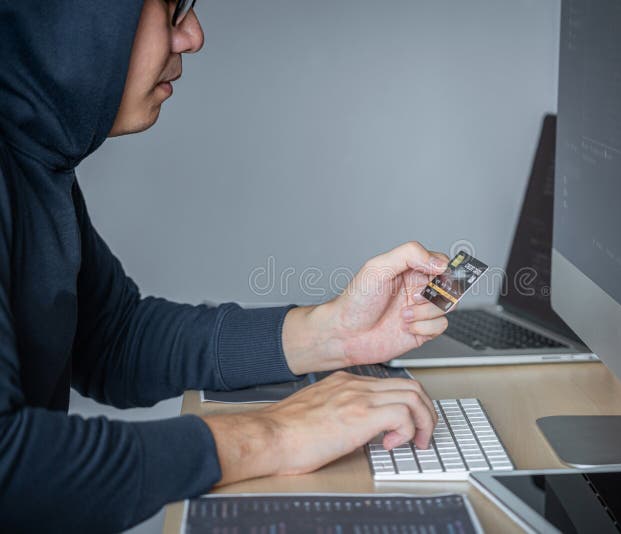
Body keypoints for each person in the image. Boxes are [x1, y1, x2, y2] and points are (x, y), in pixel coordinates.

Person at [0, 1, 451, 531]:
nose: (192, 36)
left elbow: (112, 338)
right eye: (172, 9)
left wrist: (333, 335)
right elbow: (11, 469)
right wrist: (275, 434)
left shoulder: (32, 159)